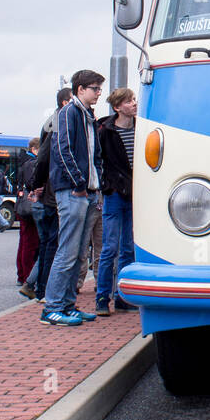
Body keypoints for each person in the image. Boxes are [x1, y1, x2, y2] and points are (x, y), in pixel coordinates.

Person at [41, 71, 104, 326]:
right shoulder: (69, 113)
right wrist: (79, 182)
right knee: (67, 251)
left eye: (99, 88)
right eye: (94, 88)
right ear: (80, 89)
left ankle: (67, 306)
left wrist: (95, 184)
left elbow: (95, 154)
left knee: (78, 253)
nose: (99, 92)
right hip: (73, 191)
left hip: (86, 191)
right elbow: (62, 149)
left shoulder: (88, 116)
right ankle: (52, 307)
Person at [95, 87, 137, 316]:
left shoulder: (141, 127)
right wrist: (106, 186)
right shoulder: (106, 131)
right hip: (114, 194)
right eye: (129, 101)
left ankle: (123, 296)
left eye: (133, 100)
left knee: (128, 248)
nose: (134, 104)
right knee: (110, 247)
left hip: (134, 194)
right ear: (118, 107)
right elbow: (98, 160)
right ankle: (102, 297)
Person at [29, 88, 71, 302]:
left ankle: (38, 287)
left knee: (48, 242)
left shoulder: (50, 122)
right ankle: (44, 289)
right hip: (54, 192)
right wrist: (37, 184)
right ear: (66, 102)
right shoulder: (58, 123)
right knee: (53, 243)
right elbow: (44, 158)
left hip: (48, 191)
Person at [15, 139, 40, 293]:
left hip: (22, 207)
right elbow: (32, 184)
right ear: (34, 149)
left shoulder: (23, 162)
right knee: (31, 243)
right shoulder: (31, 163)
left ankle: (21, 274)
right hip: (30, 208)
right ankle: (27, 276)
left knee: (24, 242)